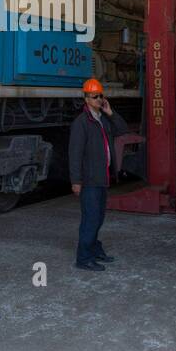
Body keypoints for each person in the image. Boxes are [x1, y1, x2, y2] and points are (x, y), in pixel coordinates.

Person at [69, 77, 129, 271]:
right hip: (89, 179)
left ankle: (95, 250)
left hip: (102, 178)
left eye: (101, 96)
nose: (99, 99)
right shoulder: (82, 123)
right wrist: (76, 181)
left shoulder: (103, 119)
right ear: (86, 99)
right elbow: (75, 153)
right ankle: (84, 258)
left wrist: (111, 113)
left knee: (99, 217)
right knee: (91, 218)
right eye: (95, 96)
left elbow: (123, 130)